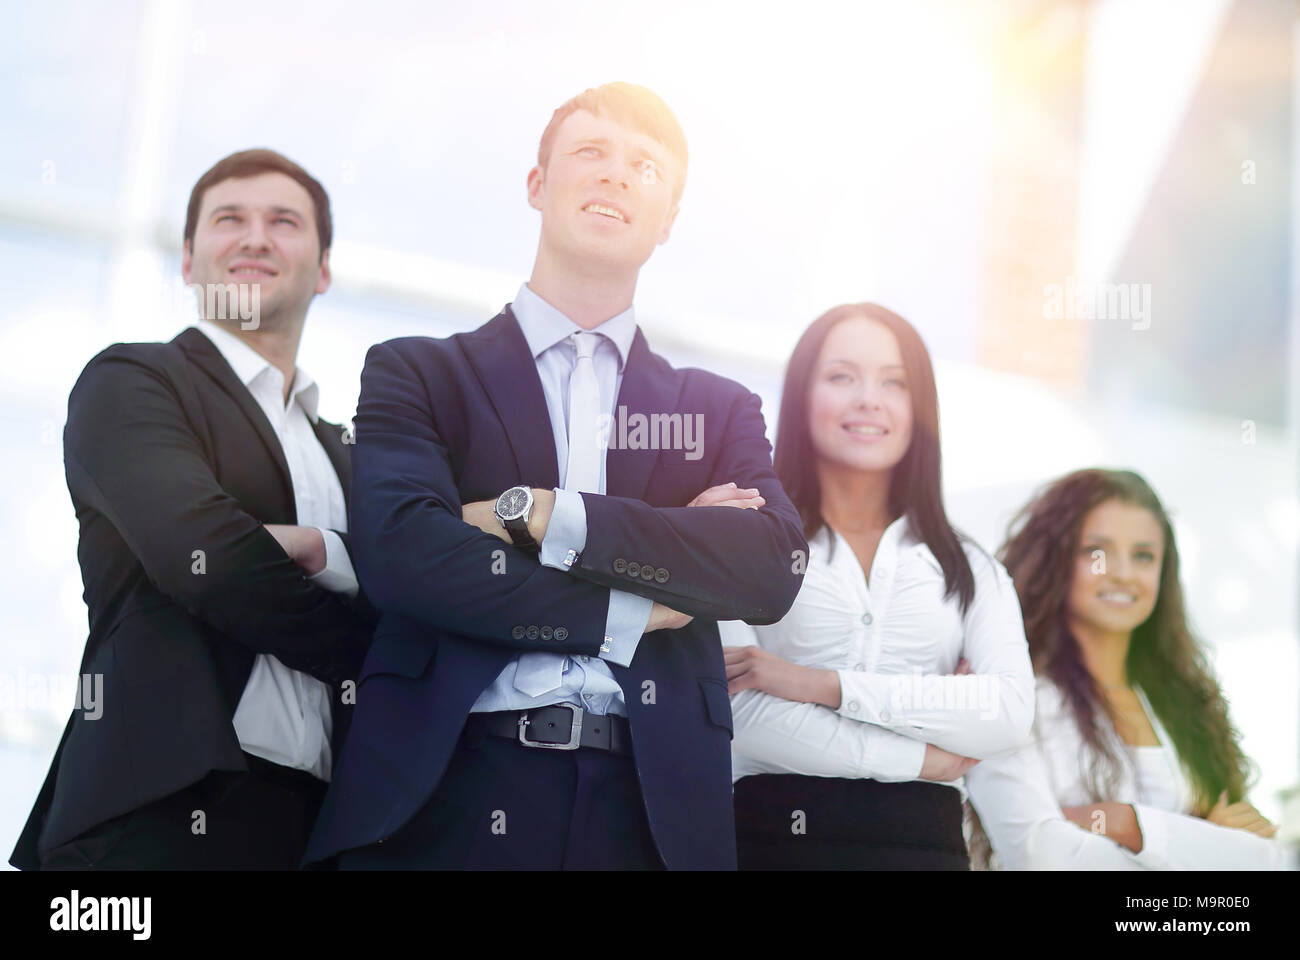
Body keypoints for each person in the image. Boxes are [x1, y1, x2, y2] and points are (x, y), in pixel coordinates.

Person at [302, 82, 807, 871]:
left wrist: (534, 514)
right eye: (590, 152)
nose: (614, 175)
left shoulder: (717, 409)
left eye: (644, 166)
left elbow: (770, 568)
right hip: (446, 797)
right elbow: (404, 555)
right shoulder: (418, 372)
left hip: (649, 821)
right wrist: (636, 607)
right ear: (538, 185)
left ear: (669, 218)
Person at [10, 149, 375, 870]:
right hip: (155, 819)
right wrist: (377, 639)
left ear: (324, 267)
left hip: (319, 835)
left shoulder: (357, 457)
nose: (254, 238)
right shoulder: (135, 382)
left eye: (284, 221)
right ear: (187, 259)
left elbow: (426, 586)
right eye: (228, 219)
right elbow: (206, 562)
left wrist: (313, 548)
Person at [720, 302, 1035, 869]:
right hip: (772, 847)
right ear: (801, 397)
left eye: (894, 383)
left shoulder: (970, 566)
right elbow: (740, 716)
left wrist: (813, 683)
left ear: (919, 409)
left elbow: (1008, 712)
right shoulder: (744, 540)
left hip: (927, 852)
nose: (869, 398)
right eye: (842, 377)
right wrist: (920, 757)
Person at [965, 468, 1287, 869]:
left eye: (1143, 556)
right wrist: (1185, 839)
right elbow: (1038, 850)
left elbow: (1255, 856)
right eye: (1097, 553)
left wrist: (1127, 823)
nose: (1122, 572)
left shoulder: (1181, 703)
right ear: (1056, 560)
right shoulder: (1014, 695)